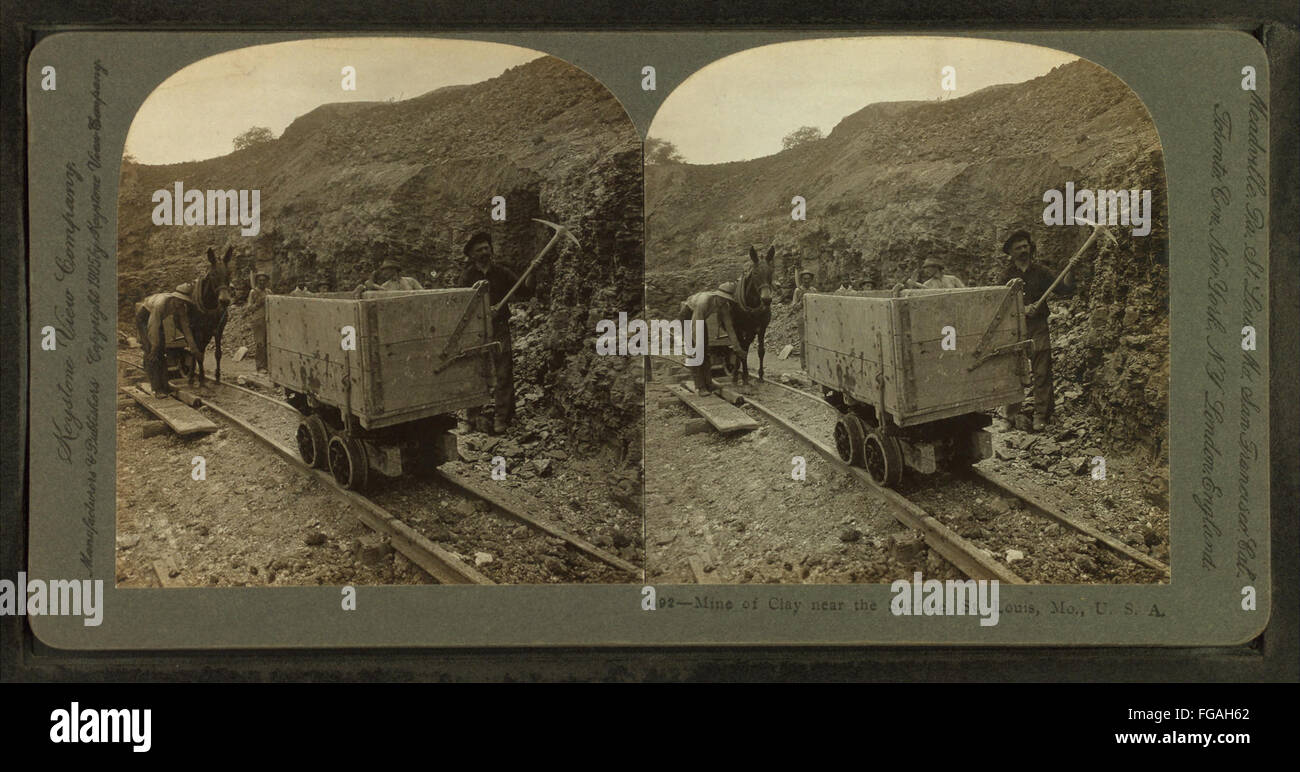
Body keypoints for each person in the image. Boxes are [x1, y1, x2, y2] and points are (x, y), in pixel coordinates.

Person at [998, 228, 1076, 432]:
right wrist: (1022, 309)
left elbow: (1064, 291)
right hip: (1014, 328)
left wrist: (1069, 272)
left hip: (1038, 326)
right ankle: (1009, 416)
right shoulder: (1005, 276)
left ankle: (1041, 415)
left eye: (1026, 246)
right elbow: (999, 306)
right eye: (1018, 248)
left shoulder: (1041, 272)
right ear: (1011, 252)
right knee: (1014, 371)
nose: (1024, 250)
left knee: (1041, 370)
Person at [458, 231, 535, 434]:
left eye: (486, 248)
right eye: (479, 250)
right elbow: (460, 305)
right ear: (472, 255)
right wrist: (483, 312)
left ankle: (502, 418)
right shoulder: (467, 277)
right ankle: (471, 418)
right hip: (475, 330)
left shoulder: (502, 273)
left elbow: (525, 293)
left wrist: (532, 274)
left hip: (499, 328)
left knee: (503, 372)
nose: (484, 252)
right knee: (475, 371)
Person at [678, 284, 746, 395]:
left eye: (725, 299)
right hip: (687, 317)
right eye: (721, 298)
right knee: (696, 353)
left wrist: (737, 347)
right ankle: (700, 387)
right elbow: (695, 324)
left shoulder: (724, 306)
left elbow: (729, 327)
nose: (722, 301)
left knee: (706, 351)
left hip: (701, 319)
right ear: (717, 296)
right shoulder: (704, 302)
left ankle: (709, 383)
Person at [135, 291, 200, 396]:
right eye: (179, 300)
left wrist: (193, 347)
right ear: (174, 298)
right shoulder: (160, 304)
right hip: (144, 319)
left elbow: (186, 328)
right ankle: (157, 389)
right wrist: (154, 347)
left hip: (157, 320)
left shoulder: (181, 307)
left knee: (162, 351)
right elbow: (153, 326)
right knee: (152, 352)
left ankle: (165, 385)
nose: (180, 303)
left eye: (183, 301)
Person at [246, 268, 272, 373]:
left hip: (268, 320)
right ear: (257, 281)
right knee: (260, 343)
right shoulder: (253, 292)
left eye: (264, 280)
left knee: (268, 343)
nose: (262, 282)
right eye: (260, 280)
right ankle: (260, 366)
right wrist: (258, 303)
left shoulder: (269, 292)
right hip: (258, 320)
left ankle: (268, 365)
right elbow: (249, 308)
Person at [354, 259, 423, 295]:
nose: (383, 273)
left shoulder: (411, 281)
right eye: (383, 270)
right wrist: (374, 286)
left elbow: (424, 294)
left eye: (386, 270)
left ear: (393, 270)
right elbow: (387, 295)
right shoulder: (385, 285)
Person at [791, 269, 816, 355]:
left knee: (813, 341)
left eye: (808, 279)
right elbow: (794, 307)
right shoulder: (797, 291)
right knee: (803, 341)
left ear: (811, 279)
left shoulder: (813, 290)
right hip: (801, 318)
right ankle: (804, 364)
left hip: (813, 318)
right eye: (804, 279)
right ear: (802, 279)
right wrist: (801, 302)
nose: (806, 281)